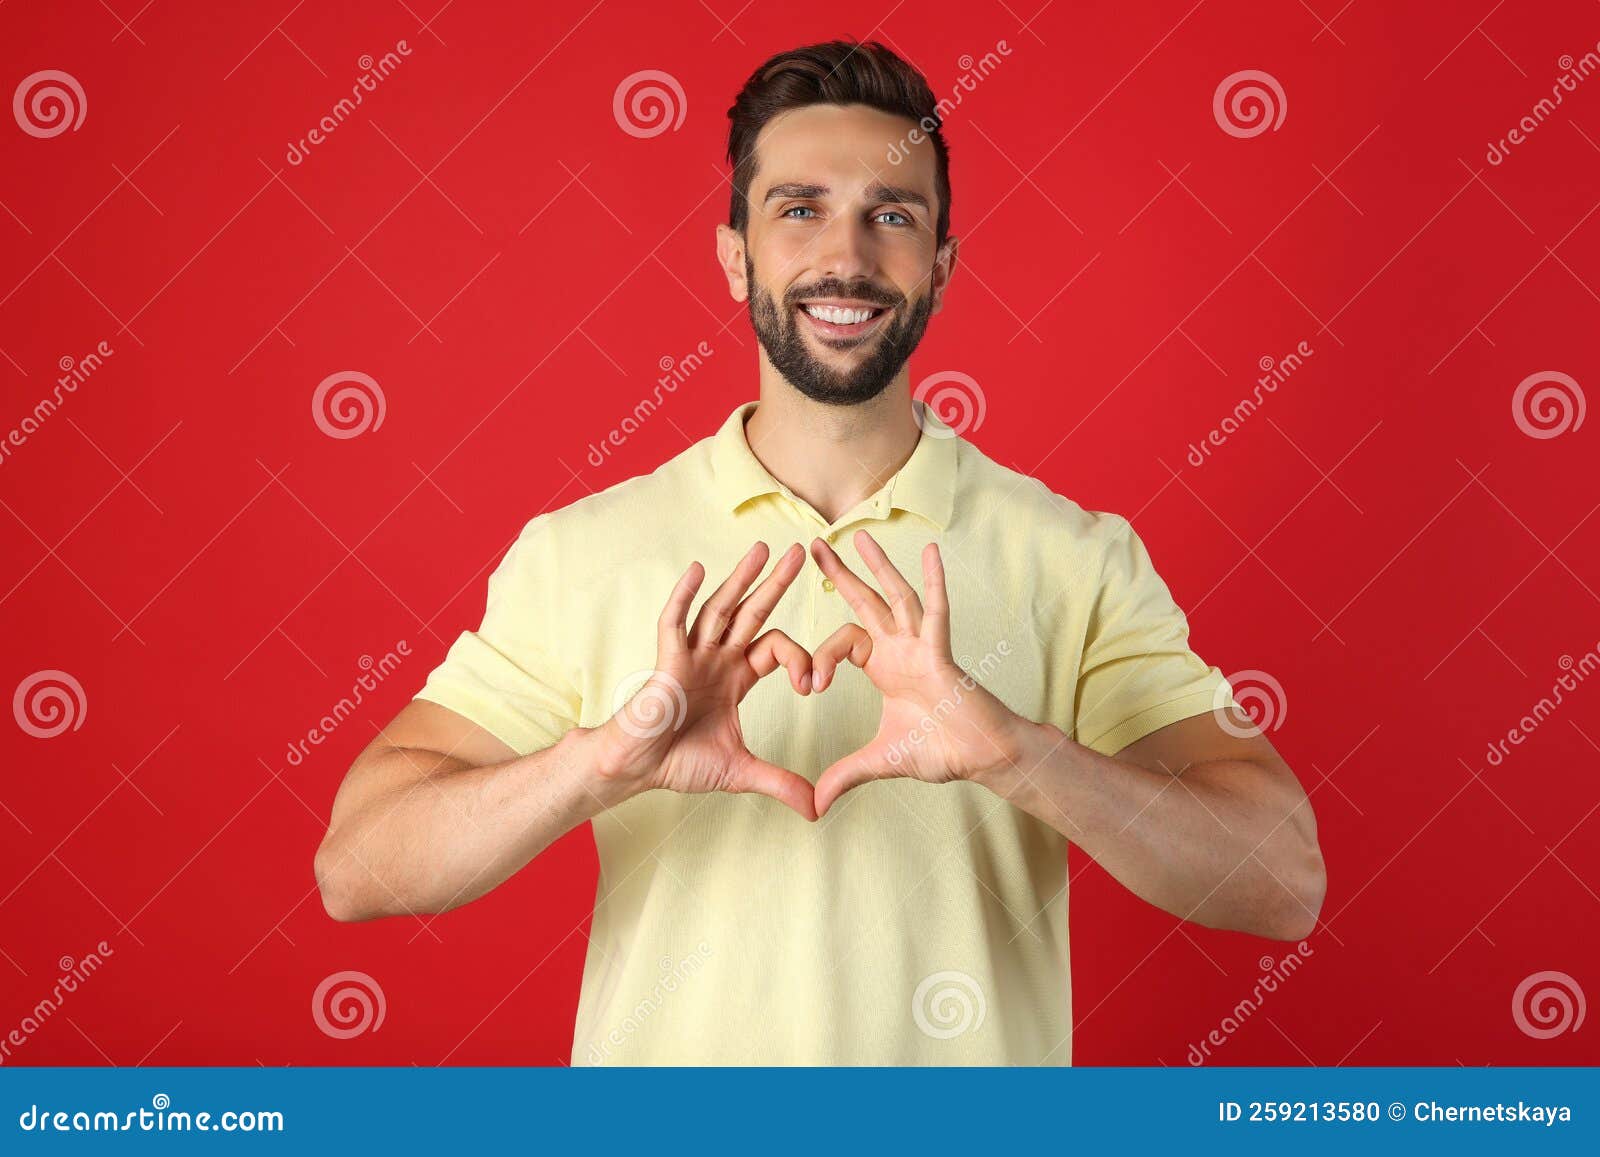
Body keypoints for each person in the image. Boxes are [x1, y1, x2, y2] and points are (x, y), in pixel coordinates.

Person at [313, 38, 1325, 1065]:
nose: (846, 257)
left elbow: (1281, 881)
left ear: (940, 264)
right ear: (735, 256)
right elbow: (358, 867)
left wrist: (1019, 754)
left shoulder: (1078, 556)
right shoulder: (583, 549)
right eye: (799, 209)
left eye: (892, 215)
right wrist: (602, 760)